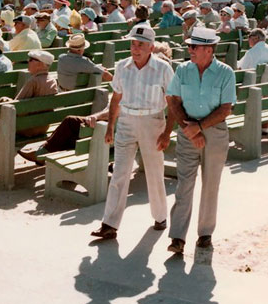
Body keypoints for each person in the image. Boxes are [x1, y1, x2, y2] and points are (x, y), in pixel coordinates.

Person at [90, 24, 176, 241]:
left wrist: (167, 132)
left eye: (140, 45)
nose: (135, 49)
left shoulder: (163, 69)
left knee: (155, 171)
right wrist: (110, 125)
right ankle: (109, 223)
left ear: (151, 47)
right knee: (120, 171)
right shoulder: (122, 67)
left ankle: (160, 216)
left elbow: (173, 102)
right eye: (133, 44)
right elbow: (116, 98)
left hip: (152, 121)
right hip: (126, 122)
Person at [165, 25, 236, 254]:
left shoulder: (226, 73)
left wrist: (199, 128)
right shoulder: (183, 70)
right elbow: (173, 100)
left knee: (210, 184)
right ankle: (177, 237)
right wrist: (189, 127)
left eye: (194, 46)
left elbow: (226, 109)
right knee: (184, 184)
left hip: (214, 133)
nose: (190, 50)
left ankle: (205, 234)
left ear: (208, 49)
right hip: (187, 129)